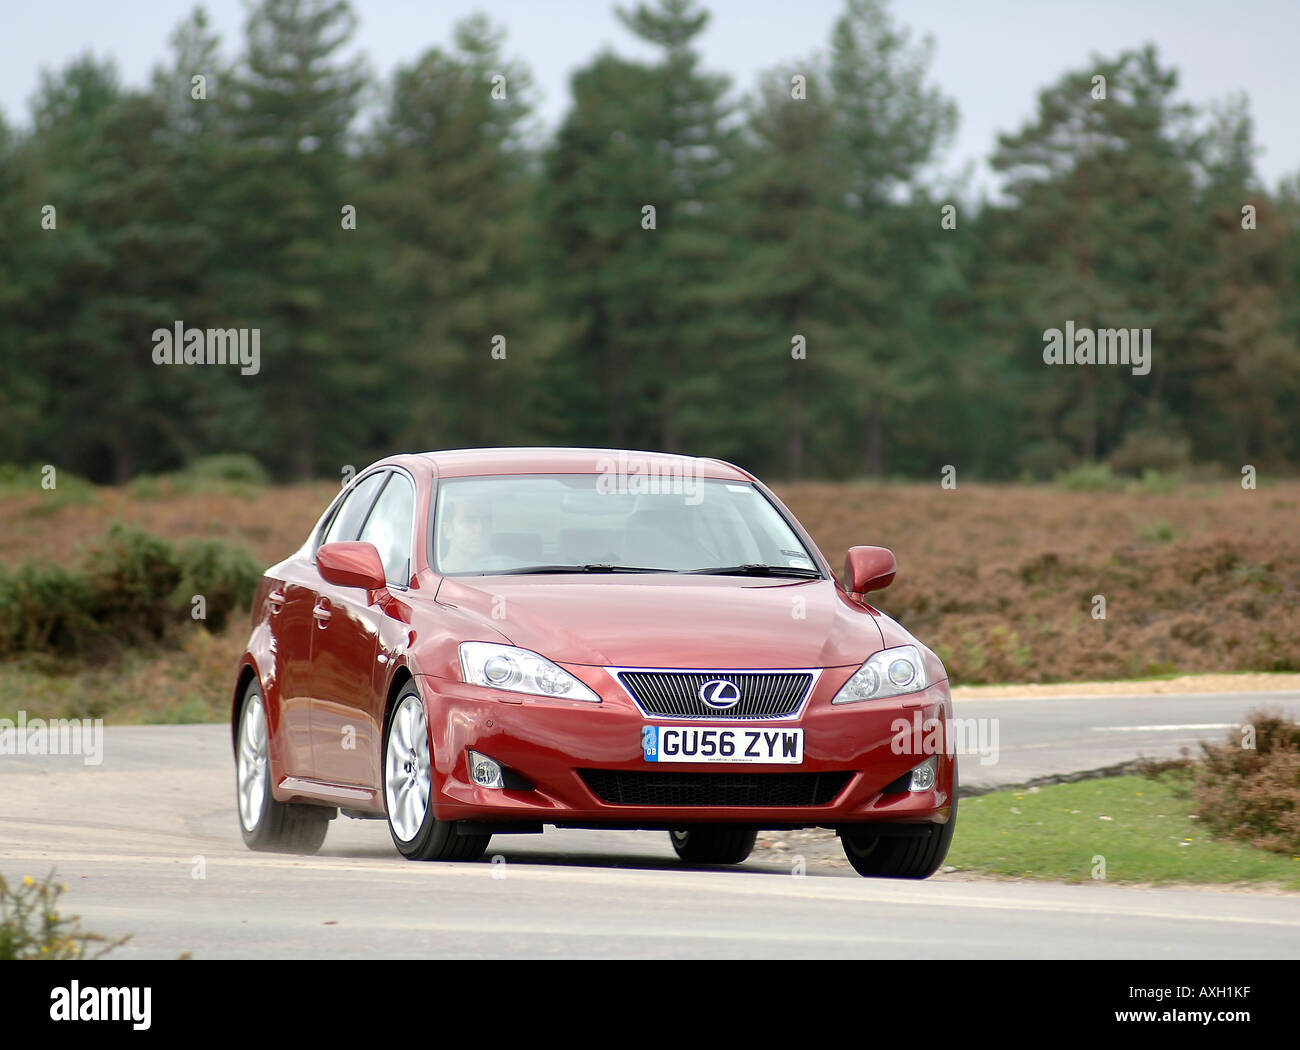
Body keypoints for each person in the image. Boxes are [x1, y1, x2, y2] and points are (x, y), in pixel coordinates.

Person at [438, 497, 494, 572]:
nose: (480, 529)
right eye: (469, 521)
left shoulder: (505, 568)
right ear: (448, 530)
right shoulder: (431, 579)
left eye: (486, 520)